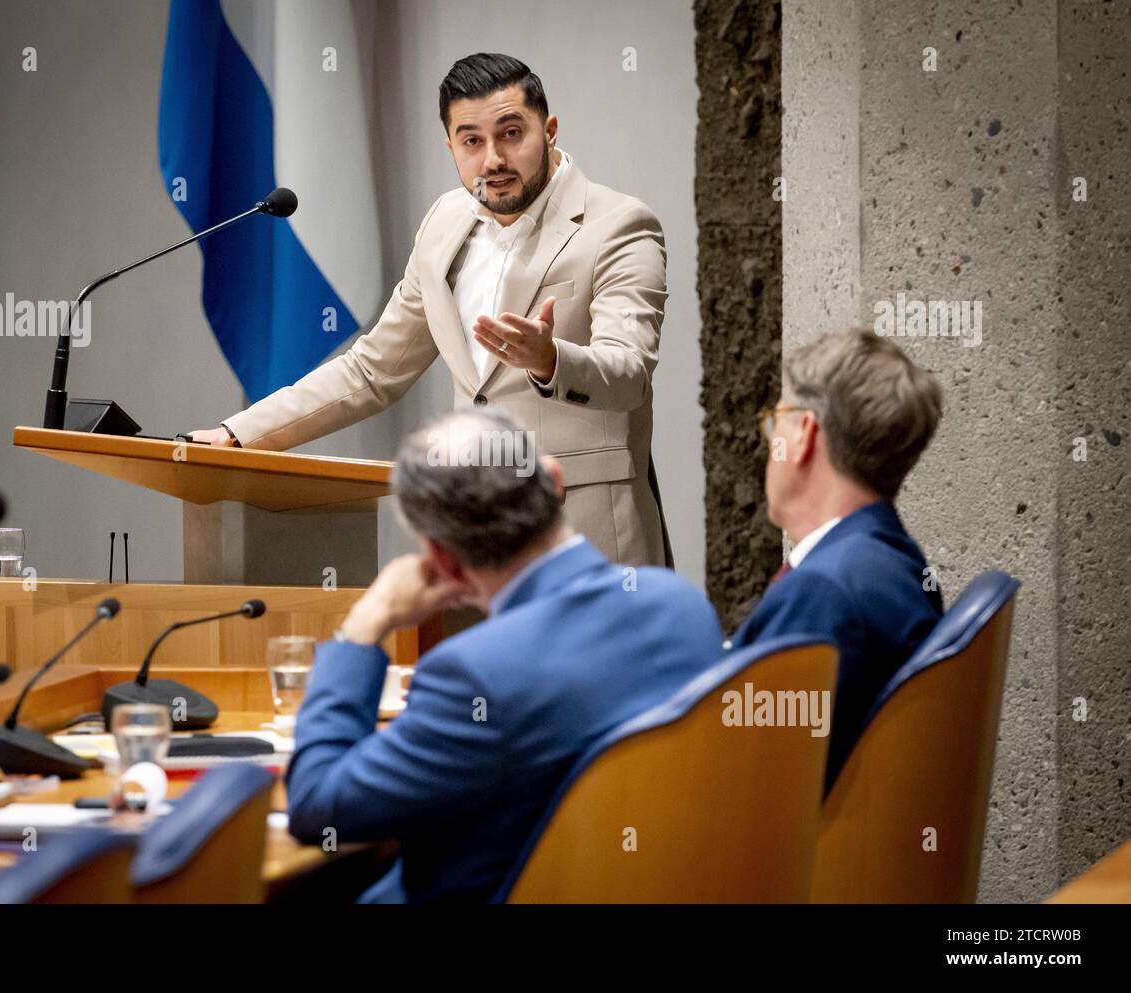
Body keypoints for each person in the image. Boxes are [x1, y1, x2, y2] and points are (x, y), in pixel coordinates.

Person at [191, 53, 672, 566]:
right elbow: (374, 370)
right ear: (451, 146)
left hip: (590, 533)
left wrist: (550, 360)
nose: (493, 160)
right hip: (477, 532)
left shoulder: (619, 225)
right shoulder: (444, 223)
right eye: (472, 141)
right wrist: (239, 434)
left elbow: (629, 374)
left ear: (549, 129)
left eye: (511, 133)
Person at [284, 408, 723, 902]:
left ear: (442, 558)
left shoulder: (473, 674)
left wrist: (365, 625)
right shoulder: (681, 604)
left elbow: (318, 808)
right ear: (555, 482)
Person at [727, 329, 946, 790]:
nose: (770, 442)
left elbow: (747, 782)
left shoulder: (825, 592)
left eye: (775, 422)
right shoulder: (896, 563)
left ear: (805, 433)